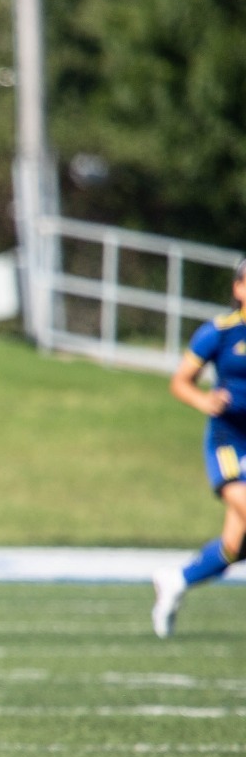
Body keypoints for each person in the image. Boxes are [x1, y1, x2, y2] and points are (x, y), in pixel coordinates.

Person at [151, 258, 246, 636]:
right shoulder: (219, 333)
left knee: (235, 546)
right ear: (238, 288)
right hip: (229, 441)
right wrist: (204, 400)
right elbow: (181, 381)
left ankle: (177, 579)